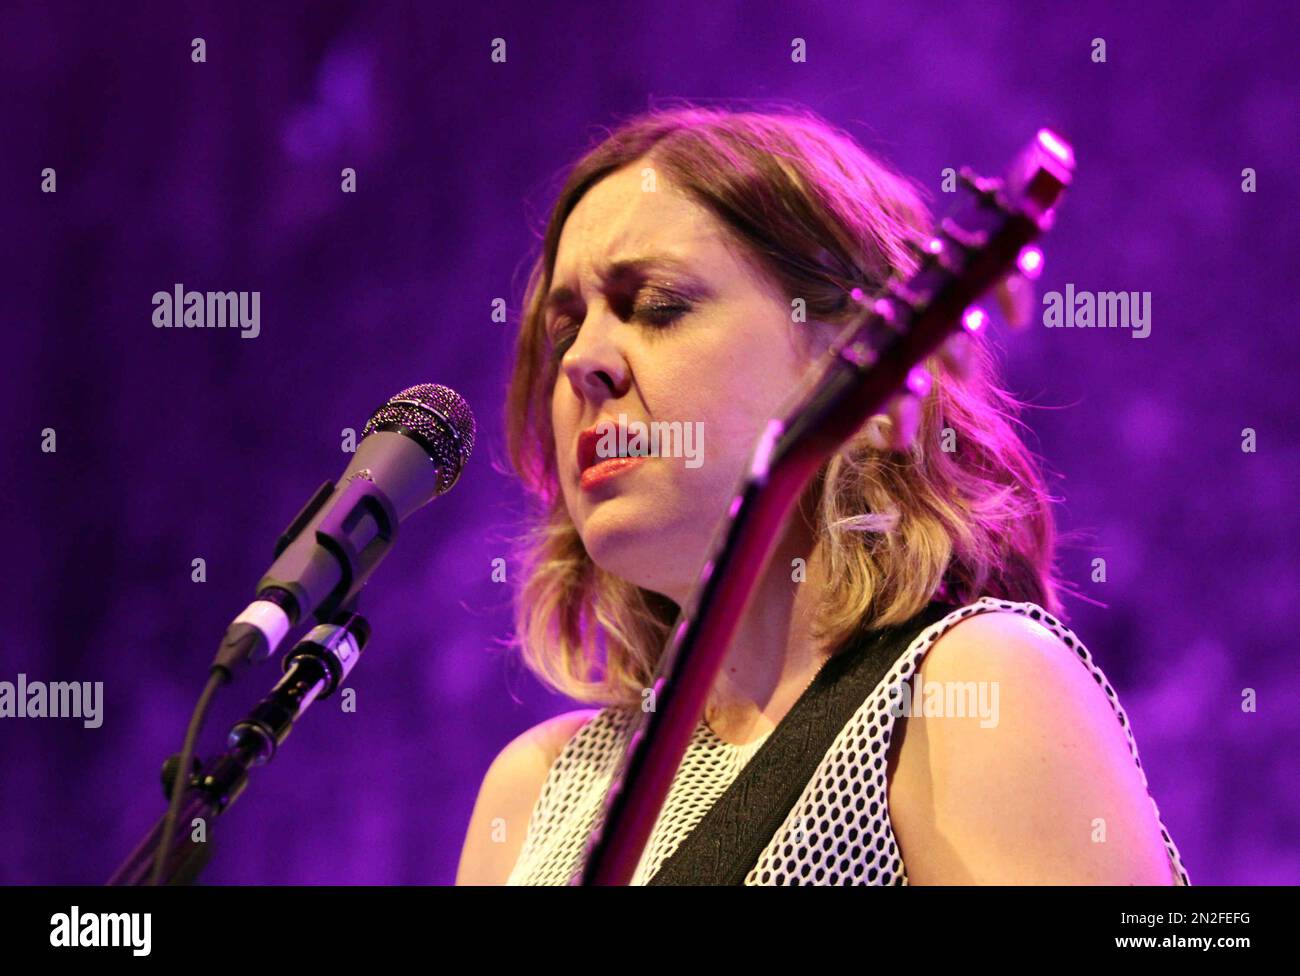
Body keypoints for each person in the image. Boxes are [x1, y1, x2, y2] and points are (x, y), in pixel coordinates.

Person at [455, 103, 1190, 886]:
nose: (583, 362)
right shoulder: (538, 789)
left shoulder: (975, 690)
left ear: (846, 350)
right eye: (565, 328)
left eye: (659, 305)